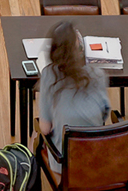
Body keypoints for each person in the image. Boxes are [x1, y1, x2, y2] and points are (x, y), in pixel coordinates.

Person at [36, 20, 109, 158]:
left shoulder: (49, 75)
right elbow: (104, 113)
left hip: (64, 164)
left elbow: (45, 128)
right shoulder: (98, 75)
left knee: (36, 135)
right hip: (96, 161)